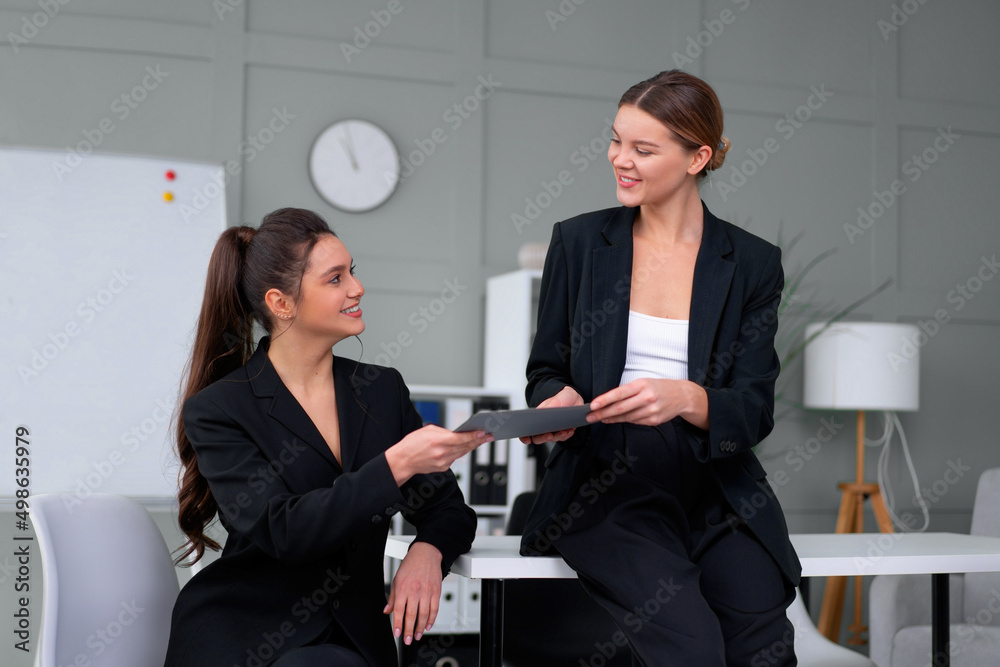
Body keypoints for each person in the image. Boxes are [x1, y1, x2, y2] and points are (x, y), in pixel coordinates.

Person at [518, 70, 802, 666]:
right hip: (608, 481)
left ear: (698, 157)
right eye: (617, 140)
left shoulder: (751, 263)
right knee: (690, 648)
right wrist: (556, 400)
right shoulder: (578, 242)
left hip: (717, 485)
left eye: (643, 149)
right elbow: (545, 369)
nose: (620, 159)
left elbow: (754, 406)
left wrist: (685, 398)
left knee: (763, 648)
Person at [164, 208, 491, 667]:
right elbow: (286, 531)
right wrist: (398, 464)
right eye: (335, 278)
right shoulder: (220, 410)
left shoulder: (381, 391)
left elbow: (449, 511)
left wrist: (428, 551)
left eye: (351, 272)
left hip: (355, 635)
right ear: (281, 303)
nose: (357, 288)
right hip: (246, 635)